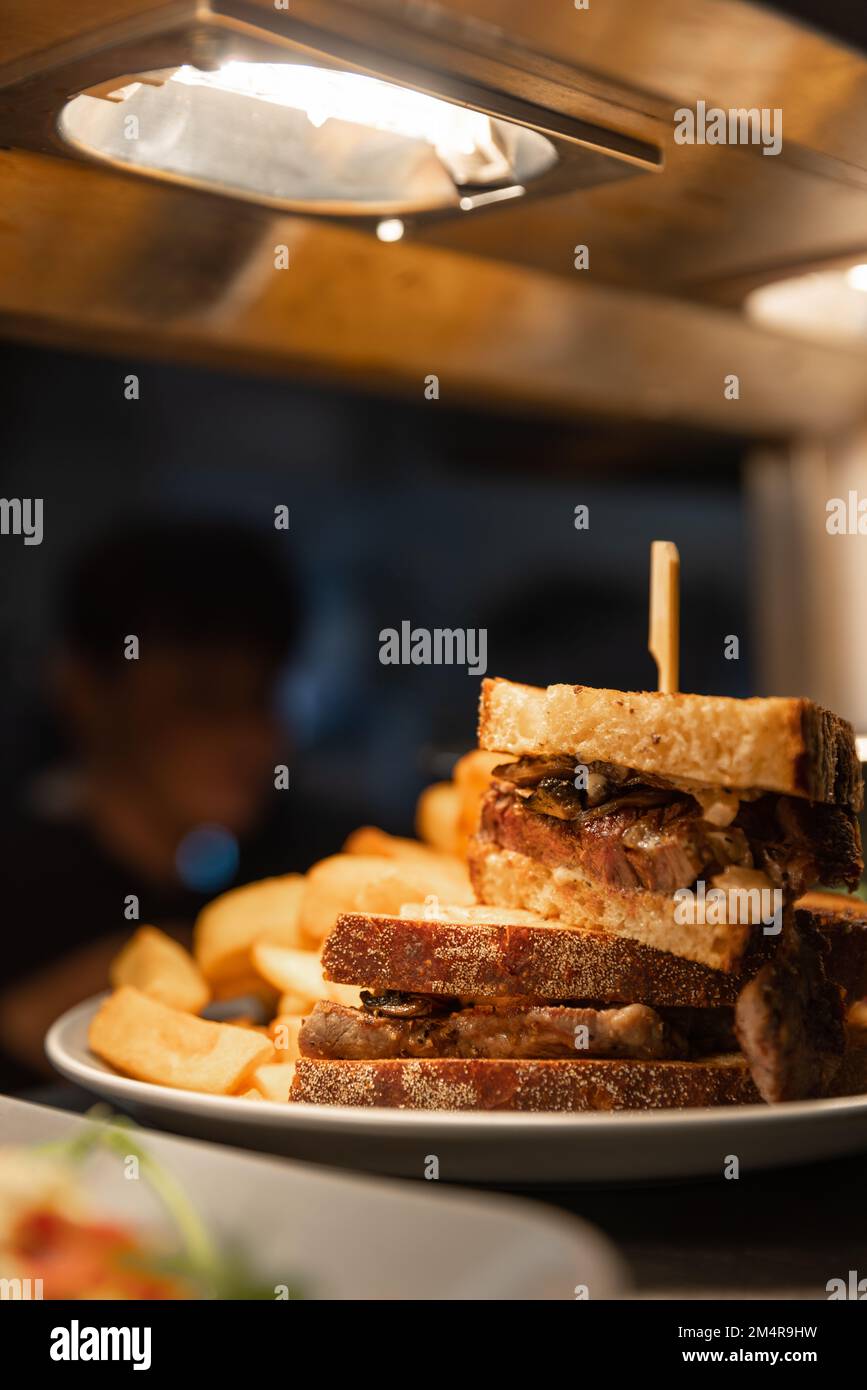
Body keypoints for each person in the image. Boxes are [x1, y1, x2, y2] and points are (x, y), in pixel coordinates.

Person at [0, 519, 300, 1089]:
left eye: (259, 697)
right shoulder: (17, 880)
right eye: (201, 697)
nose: (250, 738)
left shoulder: (292, 859)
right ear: (83, 691)